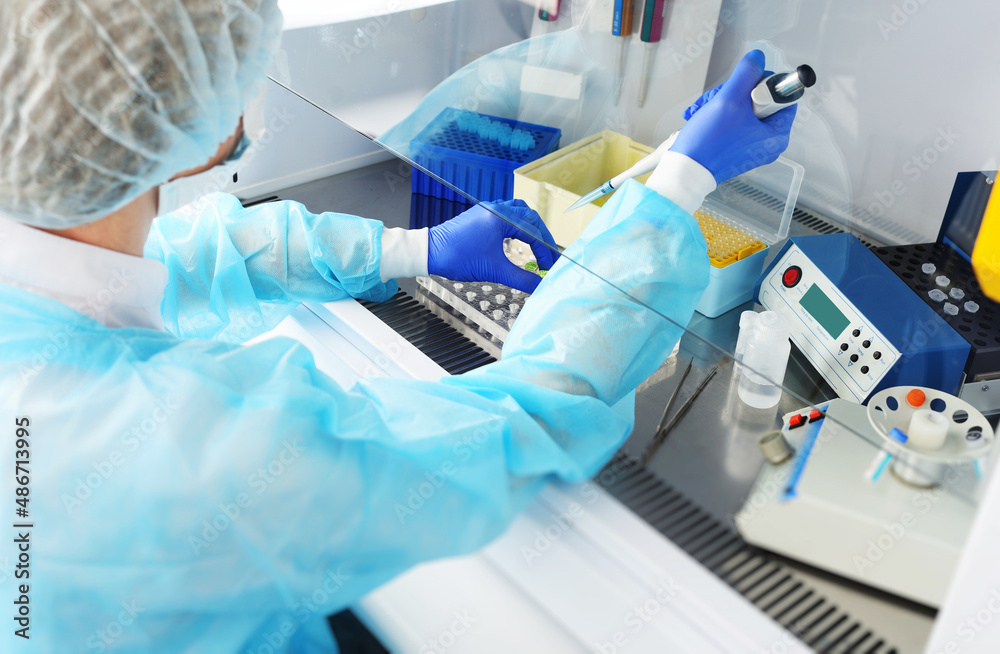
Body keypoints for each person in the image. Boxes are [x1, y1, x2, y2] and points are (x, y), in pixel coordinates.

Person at [0, 0, 795, 651]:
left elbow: (182, 258)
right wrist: (679, 184)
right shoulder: (186, 454)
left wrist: (417, 249)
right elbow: (518, 423)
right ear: (176, 111)